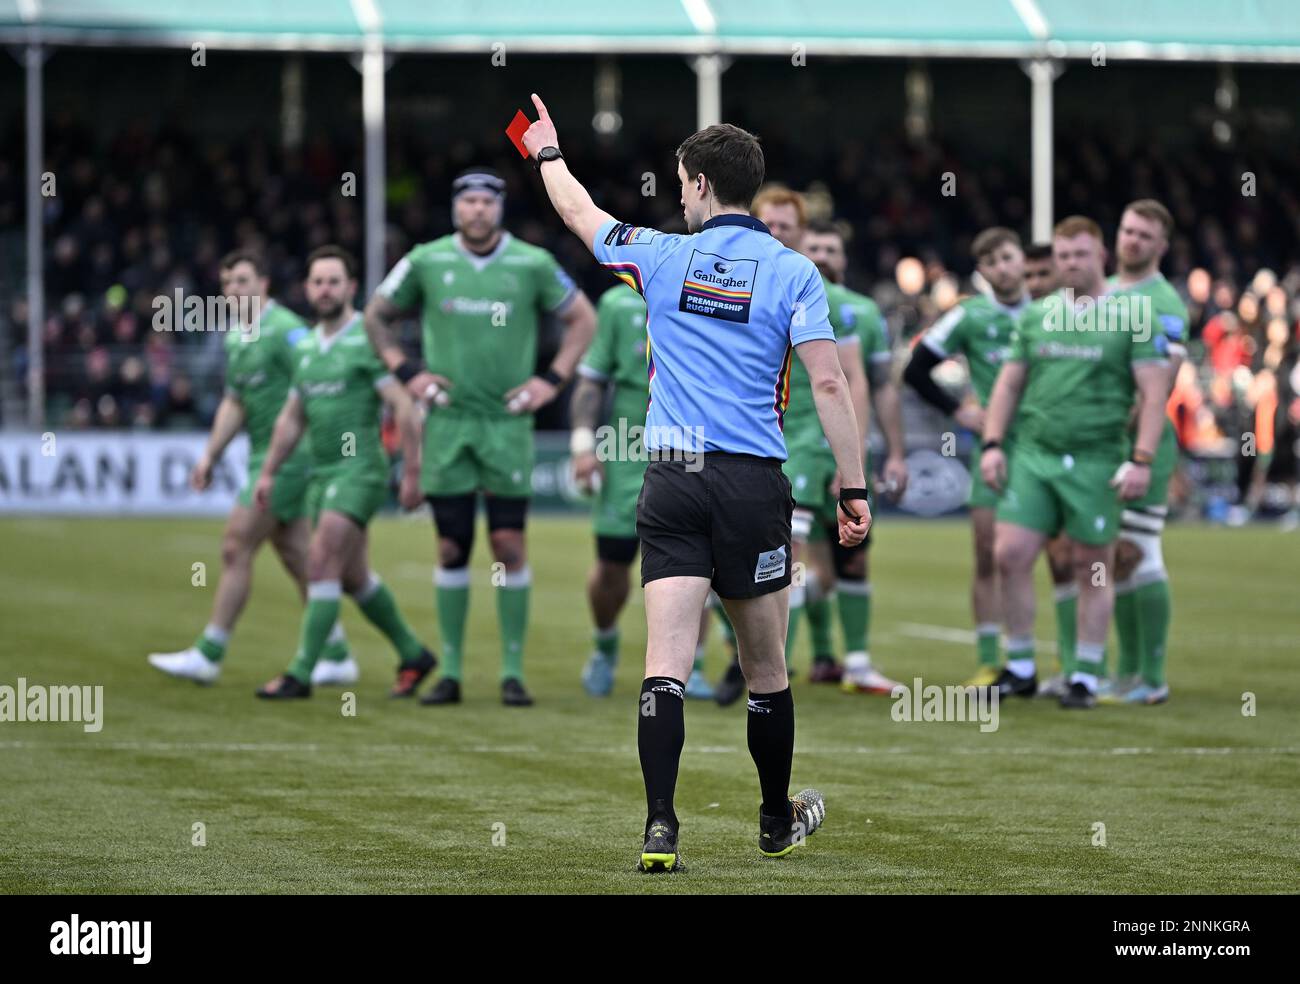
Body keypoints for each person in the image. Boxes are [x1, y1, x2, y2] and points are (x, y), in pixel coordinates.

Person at [521, 94, 869, 869]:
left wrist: (546, 152)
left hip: (673, 477)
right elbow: (831, 387)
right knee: (765, 669)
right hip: (753, 482)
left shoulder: (661, 256)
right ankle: (775, 820)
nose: (679, 196)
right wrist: (854, 489)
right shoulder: (793, 271)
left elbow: (579, 213)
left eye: (681, 183)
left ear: (702, 185)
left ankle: (659, 830)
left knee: (664, 663)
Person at [364, 168, 597, 707]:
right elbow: (376, 316)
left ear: (500, 209)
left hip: (507, 424)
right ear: (455, 209)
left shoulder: (532, 263)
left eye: (486, 202)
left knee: (508, 545)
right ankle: (449, 671)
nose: (477, 210)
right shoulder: (426, 260)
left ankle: (511, 672)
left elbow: (582, 320)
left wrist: (551, 381)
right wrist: (406, 372)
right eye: (467, 201)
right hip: (446, 423)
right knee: (450, 546)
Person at [979, 216, 1171, 709]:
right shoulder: (1037, 314)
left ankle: (1085, 673)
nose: (1071, 264)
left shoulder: (1134, 315)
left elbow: (1154, 395)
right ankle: (1020, 665)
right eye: (1063, 256)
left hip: (1095, 459)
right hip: (1035, 455)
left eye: (1080, 254)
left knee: (1093, 567)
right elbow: (1009, 384)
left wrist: (1143, 459)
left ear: (1101, 256)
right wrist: (993, 443)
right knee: (1010, 553)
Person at [148, 249, 354, 686]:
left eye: (242, 281)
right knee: (299, 555)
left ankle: (209, 652)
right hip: (265, 455)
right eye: (227, 284)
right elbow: (235, 401)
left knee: (235, 545)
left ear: (264, 284)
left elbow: (321, 376)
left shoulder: (285, 330)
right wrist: (210, 455)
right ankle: (336, 653)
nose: (233, 290)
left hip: (291, 457)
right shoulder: (236, 336)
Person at [252, 246, 436, 699]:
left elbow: (403, 406)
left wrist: (413, 472)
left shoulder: (367, 342)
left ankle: (300, 674)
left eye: (334, 281)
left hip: (360, 471)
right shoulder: (306, 347)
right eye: (317, 281)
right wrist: (268, 471)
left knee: (319, 561)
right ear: (307, 289)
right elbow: (292, 417)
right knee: (353, 577)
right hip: (322, 474)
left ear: (351, 288)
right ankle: (413, 654)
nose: (325, 289)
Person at [571, 284, 715, 699]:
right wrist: (583, 446)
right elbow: (592, 380)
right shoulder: (616, 305)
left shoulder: (709, 296)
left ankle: (697, 664)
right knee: (612, 563)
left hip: (690, 447)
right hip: (627, 446)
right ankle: (604, 644)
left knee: (697, 563)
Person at [801, 218, 910, 693]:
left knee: (853, 556)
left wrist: (894, 453)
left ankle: (857, 663)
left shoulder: (865, 313)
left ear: (844, 258)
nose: (824, 255)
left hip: (847, 450)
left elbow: (880, 387)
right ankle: (793, 660)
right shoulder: (788, 295)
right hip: (793, 450)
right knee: (803, 564)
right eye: (815, 247)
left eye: (832, 248)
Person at [1103, 199, 1190, 705]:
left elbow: (1162, 384)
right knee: (1115, 557)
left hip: (1142, 445)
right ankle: (1127, 671)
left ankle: (1151, 677)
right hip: (1104, 445)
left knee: (1140, 548)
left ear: (1161, 245)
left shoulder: (1165, 304)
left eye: (1143, 234)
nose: (1131, 240)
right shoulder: (1105, 293)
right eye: (1127, 229)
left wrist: (1130, 440)